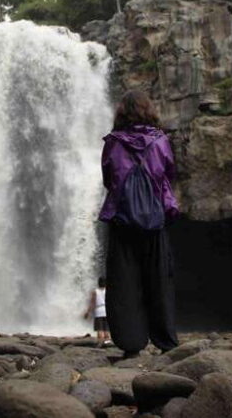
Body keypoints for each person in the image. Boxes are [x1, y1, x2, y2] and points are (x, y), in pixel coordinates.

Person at [99, 89, 179, 357]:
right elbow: (168, 173)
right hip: (154, 219)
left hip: (122, 219)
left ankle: (131, 342)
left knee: (124, 281)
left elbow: (108, 178)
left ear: (122, 112)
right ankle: (165, 340)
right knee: (159, 278)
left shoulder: (113, 142)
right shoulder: (160, 141)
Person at [83, 276, 110, 344]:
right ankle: (107, 342)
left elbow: (92, 303)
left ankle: (101, 343)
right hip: (107, 310)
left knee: (99, 329)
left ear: (98, 283)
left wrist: (87, 312)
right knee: (106, 329)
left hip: (99, 311)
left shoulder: (95, 291)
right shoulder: (108, 291)